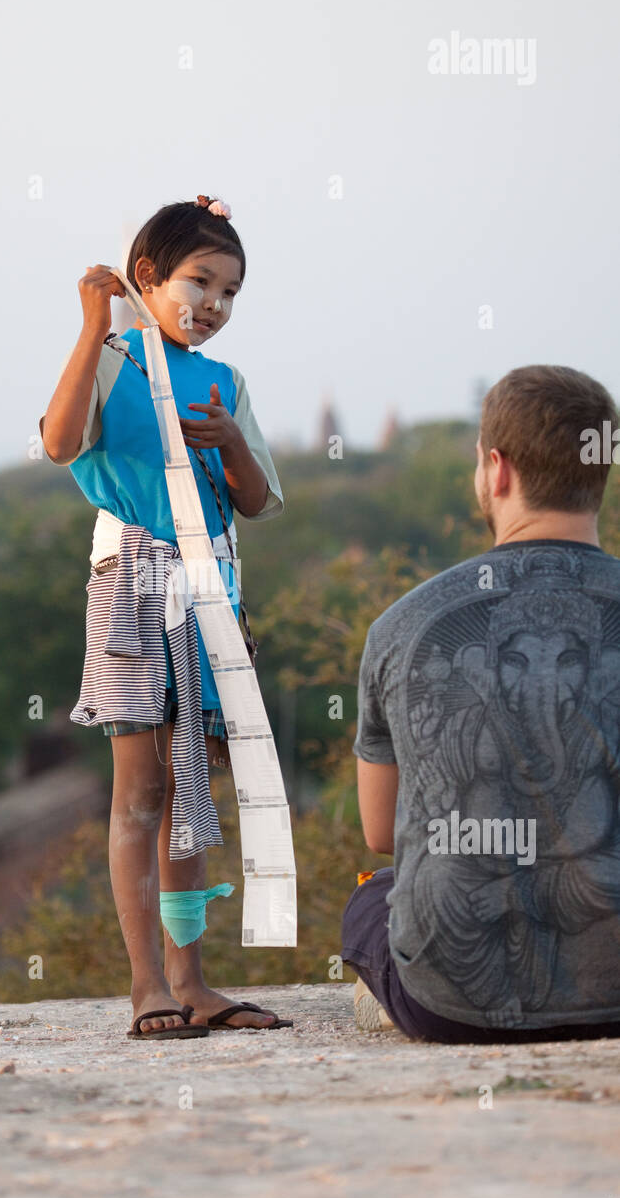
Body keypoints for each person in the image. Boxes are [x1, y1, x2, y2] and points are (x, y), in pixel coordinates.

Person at [41, 195, 292, 1039]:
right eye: (199, 282)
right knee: (142, 787)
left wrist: (229, 441)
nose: (214, 306)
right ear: (146, 278)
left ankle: (195, 982)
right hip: (131, 580)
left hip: (211, 586)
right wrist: (91, 324)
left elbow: (256, 504)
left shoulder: (227, 384)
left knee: (192, 787)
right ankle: (146, 983)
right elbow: (59, 439)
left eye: (231, 292)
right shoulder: (112, 361)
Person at [344, 364, 620, 1042]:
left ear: (497, 470)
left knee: (372, 894)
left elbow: (381, 833)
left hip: (448, 1007)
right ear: (601, 474)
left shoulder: (406, 624)